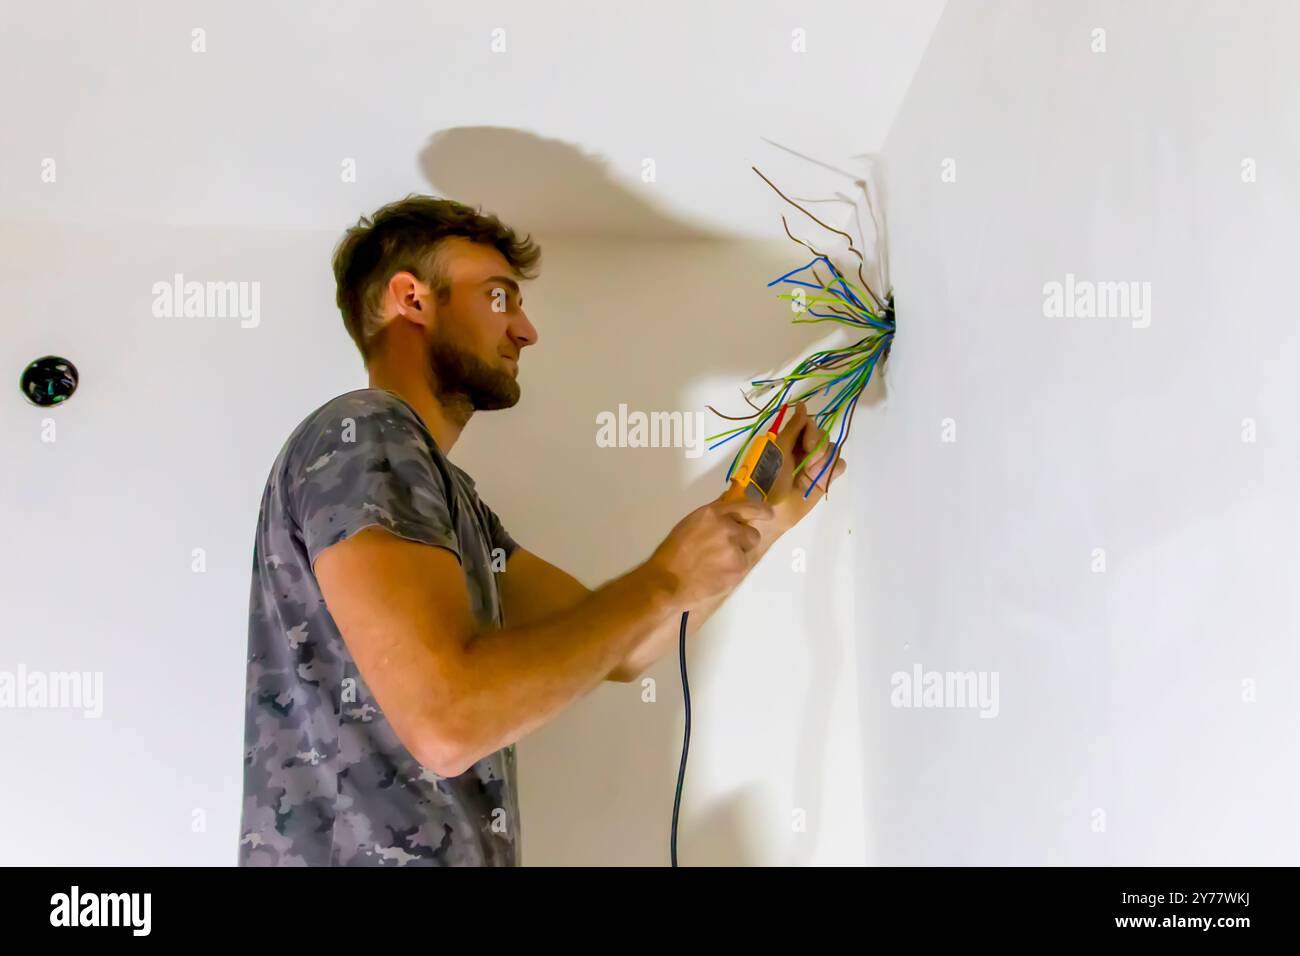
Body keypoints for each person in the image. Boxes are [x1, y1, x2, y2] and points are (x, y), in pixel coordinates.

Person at [238, 194, 844, 866]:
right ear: (411, 299)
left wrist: (765, 515)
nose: (526, 330)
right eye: (501, 298)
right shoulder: (366, 430)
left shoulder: (454, 501)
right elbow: (448, 721)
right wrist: (665, 577)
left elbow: (618, 649)